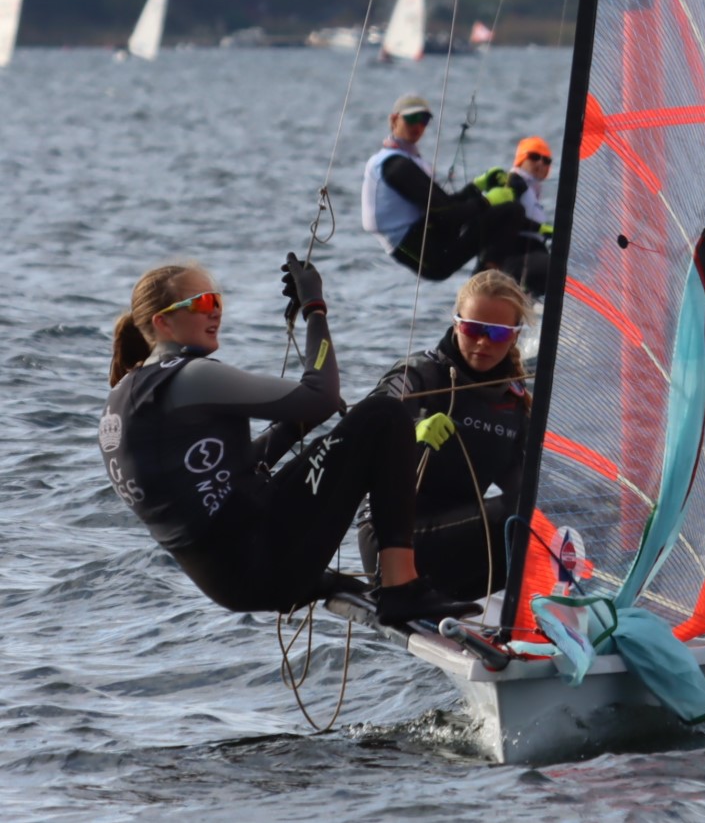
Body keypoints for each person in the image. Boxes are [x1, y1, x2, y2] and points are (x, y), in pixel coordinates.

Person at [98, 258, 477, 625]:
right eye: (202, 303)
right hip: (262, 559)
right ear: (162, 322)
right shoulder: (191, 377)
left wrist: (293, 426)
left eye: (217, 301)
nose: (215, 312)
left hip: (234, 580)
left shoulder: (124, 395)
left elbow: (227, 476)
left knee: (366, 425)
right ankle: (401, 587)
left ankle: (341, 582)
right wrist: (314, 307)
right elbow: (322, 393)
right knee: (385, 416)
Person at [358, 270, 533, 599]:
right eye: (472, 329)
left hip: (453, 544)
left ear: (515, 335)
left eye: (496, 333)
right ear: (456, 324)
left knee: (546, 513)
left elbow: (525, 487)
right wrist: (409, 431)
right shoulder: (420, 373)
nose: (482, 342)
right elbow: (361, 429)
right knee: (522, 516)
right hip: (391, 545)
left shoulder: (514, 404)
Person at [360, 93, 529, 280]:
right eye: (412, 118)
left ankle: (486, 285)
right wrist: (487, 201)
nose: (418, 125)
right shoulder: (396, 166)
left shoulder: (405, 160)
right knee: (511, 211)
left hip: (431, 235)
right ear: (394, 119)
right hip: (427, 254)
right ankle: (486, 284)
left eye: (424, 119)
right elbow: (447, 215)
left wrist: (477, 186)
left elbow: (445, 206)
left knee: (506, 210)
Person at [475, 136, 553, 294]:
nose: (540, 163)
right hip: (513, 257)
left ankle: (529, 302)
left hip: (526, 255)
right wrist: (540, 228)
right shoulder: (515, 181)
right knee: (559, 270)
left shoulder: (532, 188)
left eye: (546, 161)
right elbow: (508, 215)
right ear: (521, 159)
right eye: (534, 157)